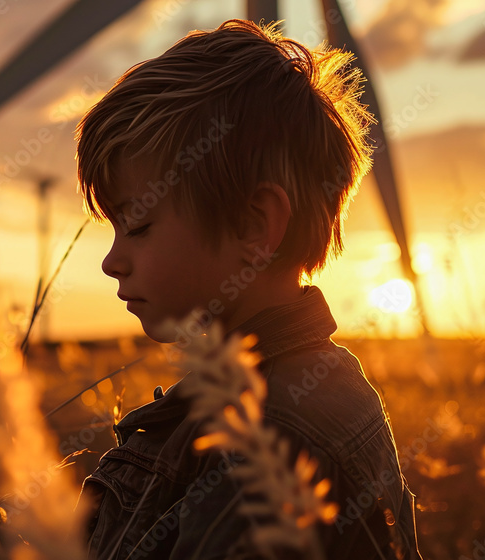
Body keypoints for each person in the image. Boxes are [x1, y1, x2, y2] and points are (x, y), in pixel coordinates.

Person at [73, 18, 424, 559]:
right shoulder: (298, 394)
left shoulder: (271, 441)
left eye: (139, 225)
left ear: (254, 226)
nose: (111, 262)